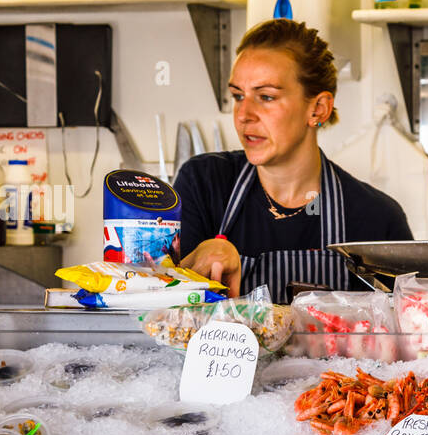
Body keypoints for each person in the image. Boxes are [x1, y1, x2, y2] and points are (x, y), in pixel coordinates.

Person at [176, 19, 412, 299]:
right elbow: (157, 312)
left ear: (318, 109)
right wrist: (192, 272)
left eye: (266, 97)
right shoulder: (204, 185)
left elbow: (404, 331)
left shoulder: (375, 219)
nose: (243, 115)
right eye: (238, 96)